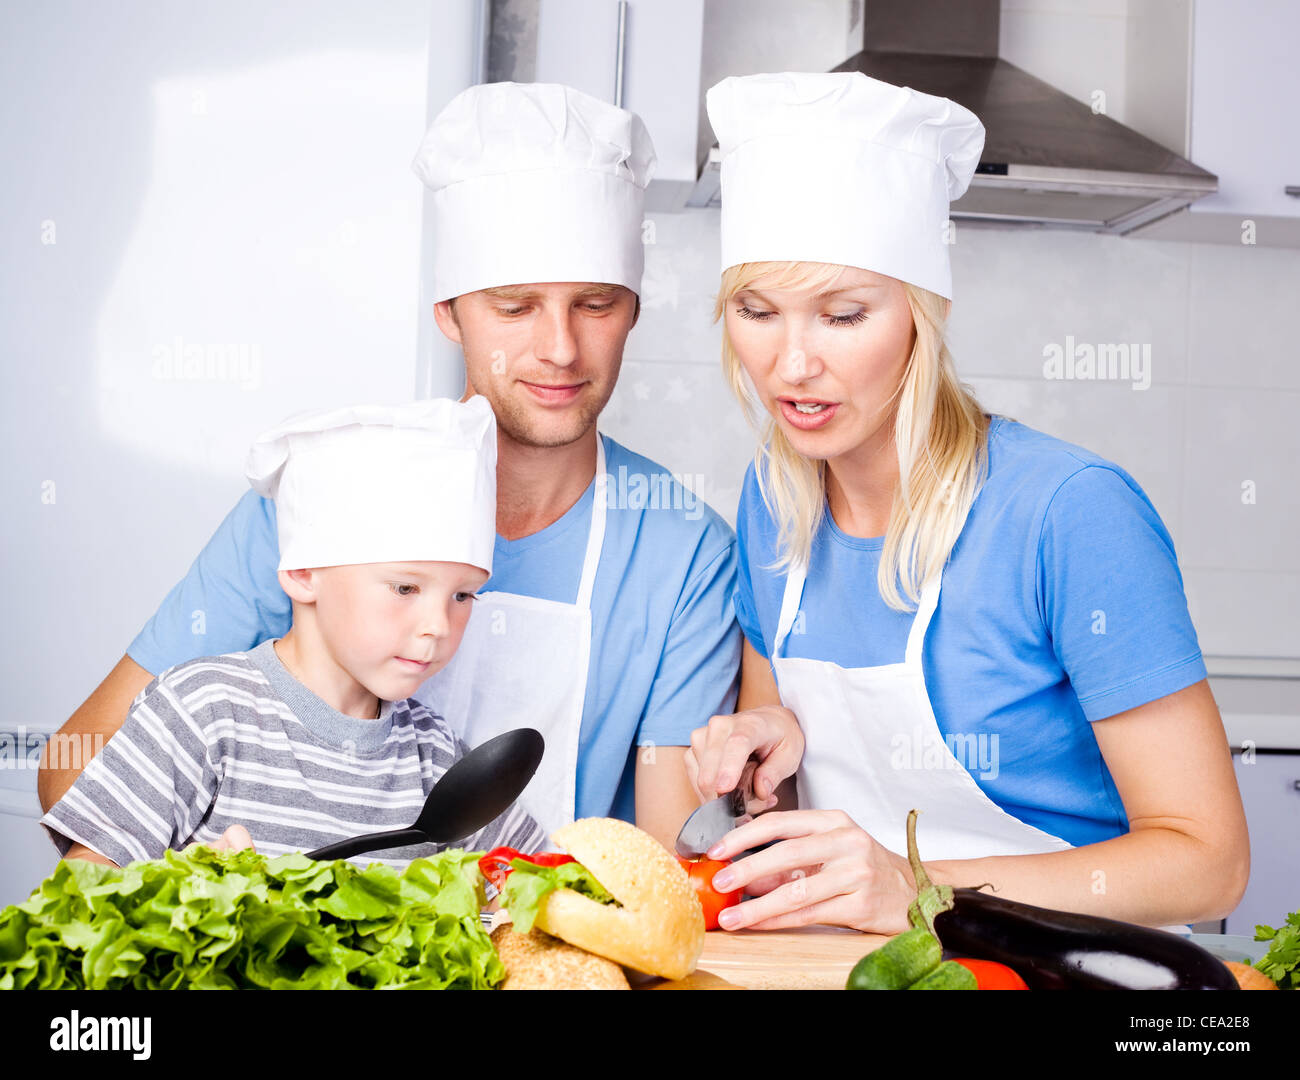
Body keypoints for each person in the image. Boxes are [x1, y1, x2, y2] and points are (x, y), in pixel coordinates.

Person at [38, 81, 753, 849]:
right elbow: (75, 774)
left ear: (634, 311)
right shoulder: (323, 496)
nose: (560, 348)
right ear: (448, 313)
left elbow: (667, 871)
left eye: (597, 303)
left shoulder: (685, 554)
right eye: (514, 307)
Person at [687, 71, 1249, 934]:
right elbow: (792, 807)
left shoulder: (1068, 513)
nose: (790, 365)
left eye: (842, 315)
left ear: (922, 312)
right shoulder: (776, 497)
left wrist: (918, 889)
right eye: (756, 311)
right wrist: (768, 744)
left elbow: (1208, 863)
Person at [40, 398, 545, 868]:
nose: (438, 626)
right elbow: (85, 890)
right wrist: (188, 892)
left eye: (463, 595)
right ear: (303, 574)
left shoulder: (434, 756)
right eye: (406, 587)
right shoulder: (202, 711)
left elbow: (537, 885)